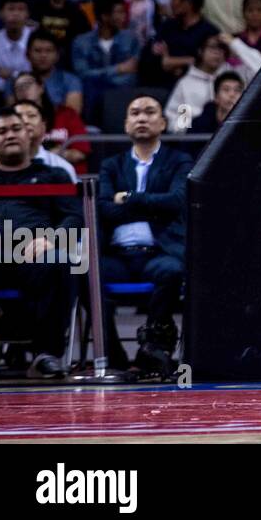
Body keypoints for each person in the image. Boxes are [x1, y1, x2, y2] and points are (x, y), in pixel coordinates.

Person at [96, 95, 193, 375]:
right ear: (126, 124)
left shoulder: (179, 161)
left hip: (159, 251)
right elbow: (102, 208)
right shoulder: (111, 165)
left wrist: (128, 199)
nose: (142, 118)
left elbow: (176, 201)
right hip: (117, 255)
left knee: (173, 271)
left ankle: (149, 349)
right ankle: (112, 356)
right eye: (135, 113)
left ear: (162, 122)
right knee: (85, 273)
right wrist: (151, 204)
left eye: (150, 112)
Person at [0, 107, 79, 378]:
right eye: (1, 131)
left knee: (61, 260)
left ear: (30, 135)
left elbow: (75, 219)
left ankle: (46, 355)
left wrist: (52, 239)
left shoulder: (54, 175)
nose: (10, 135)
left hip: (35, 253)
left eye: (16, 129)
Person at [0, 0, 35, 93]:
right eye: (11, 9)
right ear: (0, 13)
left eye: (21, 9)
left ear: (28, 14)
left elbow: (37, 79)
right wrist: (21, 81)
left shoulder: (35, 39)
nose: (16, 14)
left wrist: (12, 75)